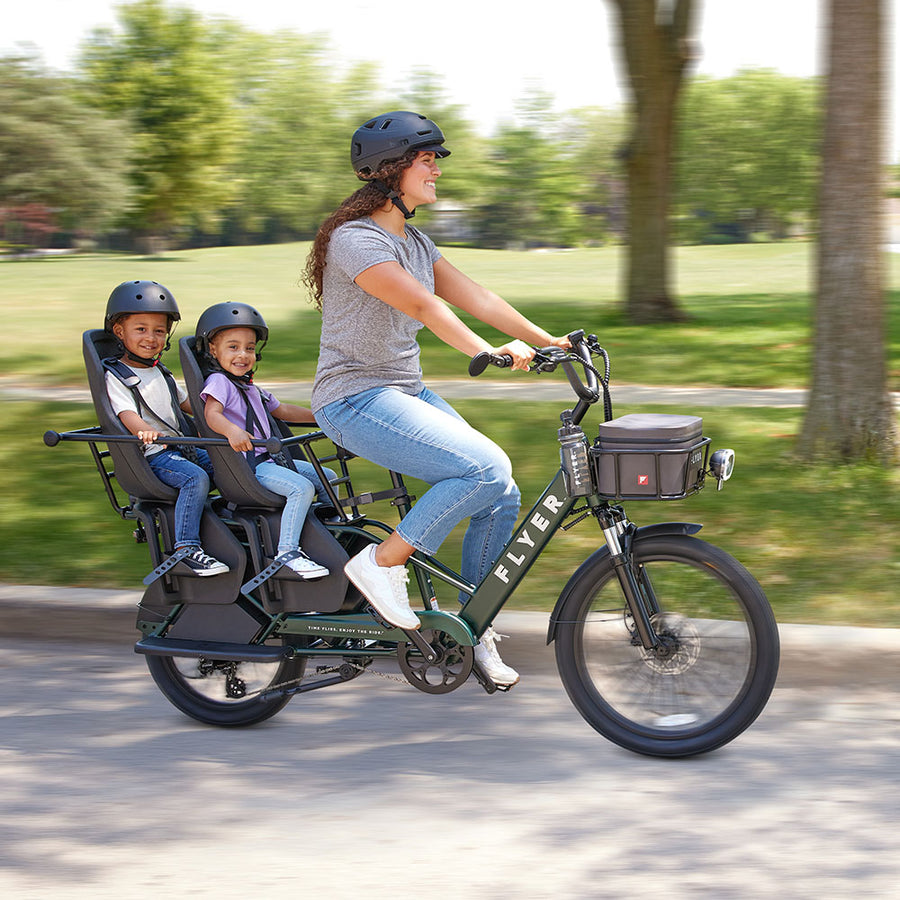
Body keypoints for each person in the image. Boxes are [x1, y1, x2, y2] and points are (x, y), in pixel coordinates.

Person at [303, 110, 570, 686]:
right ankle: (380, 563)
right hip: (353, 397)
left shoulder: (417, 242)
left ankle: (472, 627)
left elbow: (476, 294)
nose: (436, 172)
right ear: (392, 168)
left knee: (501, 492)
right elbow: (424, 307)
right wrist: (487, 351)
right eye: (427, 160)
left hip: (402, 391)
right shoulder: (357, 241)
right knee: (483, 468)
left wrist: (550, 341)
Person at [196, 302, 336, 580]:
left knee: (327, 476)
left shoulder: (251, 388)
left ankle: (322, 532)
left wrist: (323, 418)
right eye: (233, 347)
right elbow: (211, 414)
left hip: (272, 461)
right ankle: (287, 553)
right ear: (213, 349)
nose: (243, 355)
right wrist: (231, 431)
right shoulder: (219, 382)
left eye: (249, 348)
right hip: (250, 467)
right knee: (301, 488)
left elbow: (283, 410)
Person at [103, 279, 228, 576]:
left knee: (228, 463)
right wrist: (142, 429)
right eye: (141, 329)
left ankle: (227, 522)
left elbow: (189, 405)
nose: (151, 338)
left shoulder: (162, 372)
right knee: (195, 479)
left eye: (159, 331)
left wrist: (219, 416)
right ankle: (186, 547)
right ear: (120, 332)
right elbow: (125, 413)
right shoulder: (117, 376)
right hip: (155, 455)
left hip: (182, 448)